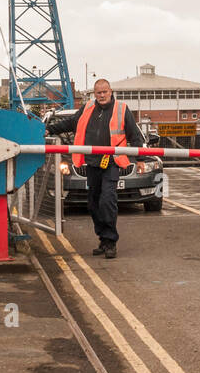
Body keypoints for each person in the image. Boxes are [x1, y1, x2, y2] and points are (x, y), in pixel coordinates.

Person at [49, 78, 144, 258]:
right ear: (94, 94)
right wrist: (49, 129)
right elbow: (70, 123)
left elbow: (135, 135)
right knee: (93, 204)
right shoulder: (88, 108)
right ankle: (103, 238)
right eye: (98, 93)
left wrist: (140, 159)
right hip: (92, 163)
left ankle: (110, 241)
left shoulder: (122, 109)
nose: (101, 95)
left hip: (112, 162)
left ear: (110, 92)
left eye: (104, 92)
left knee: (107, 200)